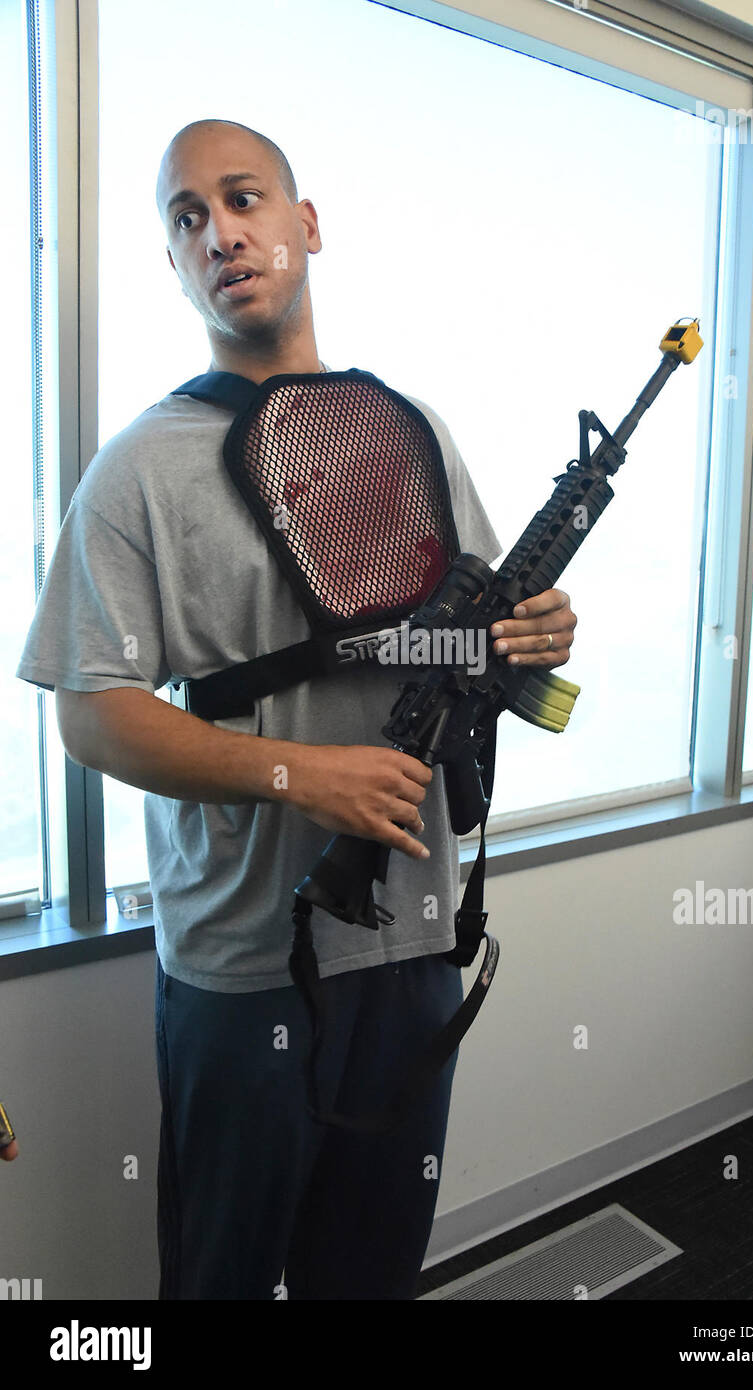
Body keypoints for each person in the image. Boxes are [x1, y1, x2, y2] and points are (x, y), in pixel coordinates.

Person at [15, 119, 577, 1299]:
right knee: (220, 1277)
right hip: (241, 967)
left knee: (368, 1274)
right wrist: (301, 777)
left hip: (415, 940)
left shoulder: (413, 433)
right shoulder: (139, 470)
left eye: (245, 198)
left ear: (305, 225)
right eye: (187, 218)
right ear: (176, 265)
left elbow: (485, 651)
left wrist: (534, 642)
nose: (221, 232)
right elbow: (90, 713)